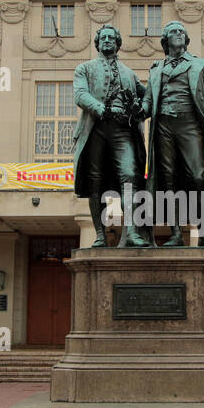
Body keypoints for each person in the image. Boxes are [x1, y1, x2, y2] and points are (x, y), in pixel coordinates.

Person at [144, 20, 204, 247]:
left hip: (190, 125)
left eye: (181, 32)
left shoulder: (200, 64)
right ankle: (175, 233)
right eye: (172, 32)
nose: (178, 34)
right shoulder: (156, 69)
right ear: (165, 41)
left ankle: (203, 233)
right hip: (163, 127)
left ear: (186, 39)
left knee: (197, 176)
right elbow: (147, 102)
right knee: (168, 179)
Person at [72, 24, 150, 247]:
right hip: (96, 129)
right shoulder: (85, 68)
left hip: (122, 131)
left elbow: (147, 99)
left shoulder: (129, 73)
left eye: (111, 38)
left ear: (117, 43)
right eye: (103, 38)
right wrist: (101, 108)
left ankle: (132, 232)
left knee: (129, 176)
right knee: (95, 182)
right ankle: (99, 233)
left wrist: (140, 107)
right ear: (97, 43)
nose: (107, 40)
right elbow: (80, 95)